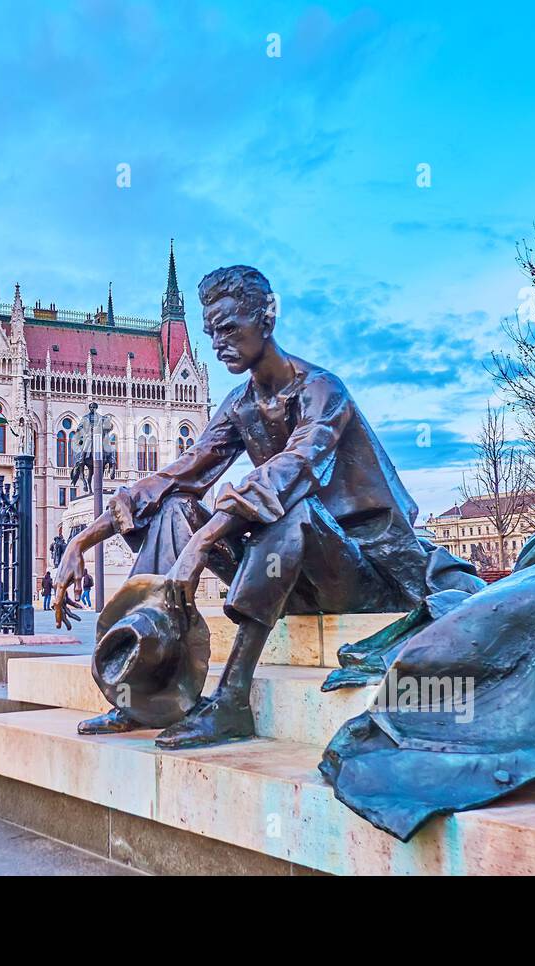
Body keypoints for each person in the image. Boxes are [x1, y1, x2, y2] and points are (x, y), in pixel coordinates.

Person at [53, 265, 479, 749]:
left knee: (292, 507)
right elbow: (179, 473)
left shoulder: (322, 390)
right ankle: (145, 689)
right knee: (174, 507)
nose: (218, 343)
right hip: (294, 578)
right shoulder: (241, 404)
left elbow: (292, 470)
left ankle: (232, 701)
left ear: (267, 318)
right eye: (212, 332)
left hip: (361, 572)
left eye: (229, 327)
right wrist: (82, 542)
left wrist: (203, 545)